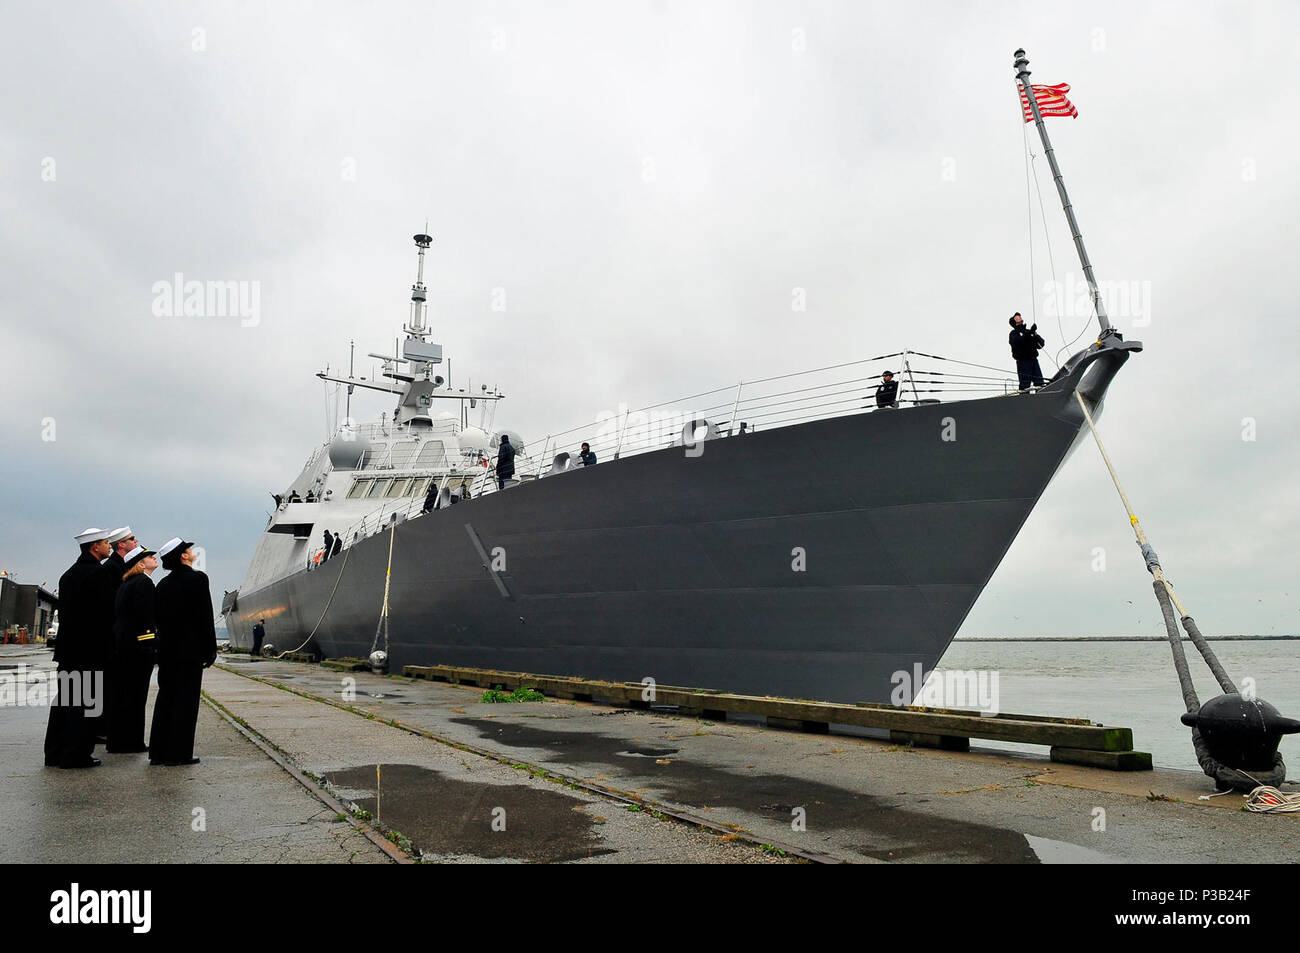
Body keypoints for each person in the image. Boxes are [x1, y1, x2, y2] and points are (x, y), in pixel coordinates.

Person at [44, 528, 115, 769]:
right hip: (91, 650)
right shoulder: (99, 574)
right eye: (106, 543)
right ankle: (76, 754)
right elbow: (105, 616)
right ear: (95, 547)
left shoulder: (68, 575)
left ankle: (54, 753)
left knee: (65, 702)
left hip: (68, 650)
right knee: (86, 705)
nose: (110, 546)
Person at [149, 537, 217, 767]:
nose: (191, 550)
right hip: (190, 652)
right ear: (183, 556)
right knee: (186, 703)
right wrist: (210, 650)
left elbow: (156, 619)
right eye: (188, 549)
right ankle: (179, 753)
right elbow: (205, 618)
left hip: (167, 652)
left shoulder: (162, 585)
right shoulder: (198, 579)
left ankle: (158, 752)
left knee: (166, 699)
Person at [107, 545, 158, 754]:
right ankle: (131, 742)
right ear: (140, 563)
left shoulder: (126, 583)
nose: (154, 558)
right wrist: (149, 645)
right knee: (135, 697)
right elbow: (145, 619)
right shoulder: (144, 583)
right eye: (148, 557)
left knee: (123, 696)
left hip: (124, 647)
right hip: (137, 650)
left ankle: (117, 740)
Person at [94, 526, 136, 741]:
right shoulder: (112, 568)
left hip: (117, 635)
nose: (136, 541)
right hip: (113, 636)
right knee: (107, 683)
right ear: (122, 545)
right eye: (132, 539)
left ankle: (105, 725)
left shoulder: (120, 566)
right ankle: (101, 727)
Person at [1008, 312, 1047, 391]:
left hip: (1034, 361)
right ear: (1014, 322)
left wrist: (1035, 335)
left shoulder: (1029, 331)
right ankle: (1023, 399)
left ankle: (1042, 398)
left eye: (1020, 317)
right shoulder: (1014, 334)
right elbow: (1018, 342)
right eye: (1017, 317)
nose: (1020, 318)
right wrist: (1029, 333)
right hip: (1023, 362)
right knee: (1025, 385)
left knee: (1039, 383)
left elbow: (1041, 344)